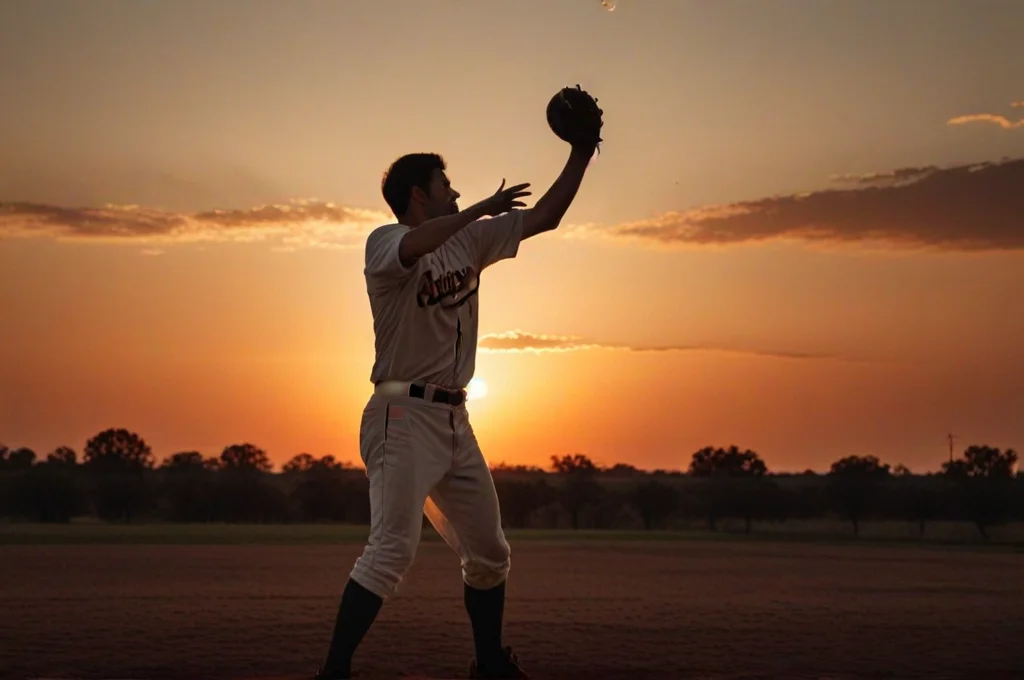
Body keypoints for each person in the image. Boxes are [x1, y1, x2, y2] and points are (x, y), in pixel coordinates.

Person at [315, 138, 597, 680]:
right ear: (418, 195)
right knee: (391, 550)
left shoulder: (469, 240)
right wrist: (480, 210)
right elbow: (416, 244)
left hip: (454, 420)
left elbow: (546, 217)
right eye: (446, 185)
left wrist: (581, 153)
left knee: (490, 552)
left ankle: (488, 664)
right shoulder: (385, 243)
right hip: (401, 415)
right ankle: (334, 673)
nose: (458, 192)